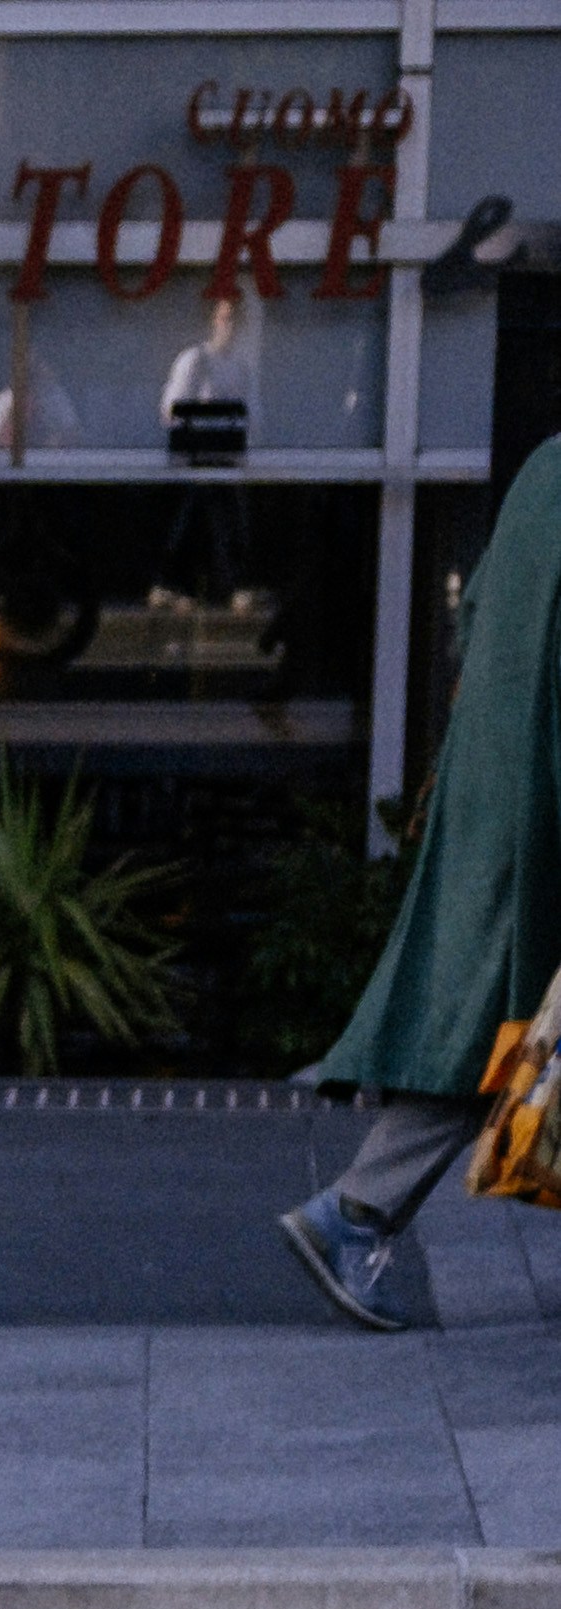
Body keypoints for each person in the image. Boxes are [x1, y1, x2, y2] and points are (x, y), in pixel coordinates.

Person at [281, 441, 561, 1330]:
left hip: (492, 784)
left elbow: (474, 619)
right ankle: (349, 1213)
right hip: (538, 801)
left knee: (488, 1025)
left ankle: (352, 1211)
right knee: (500, 1026)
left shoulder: (544, 469)